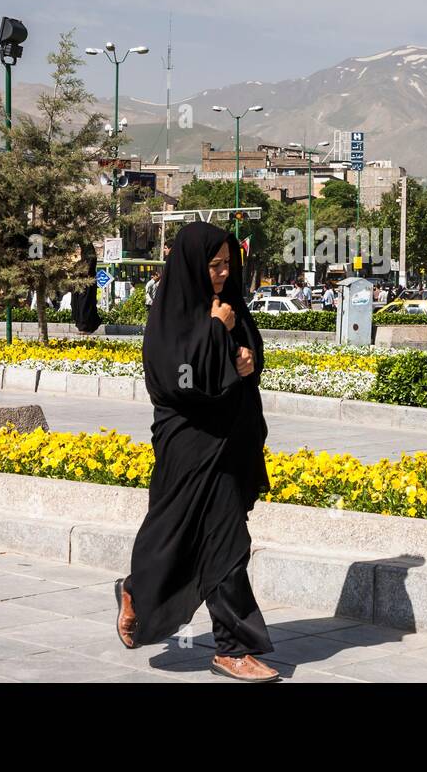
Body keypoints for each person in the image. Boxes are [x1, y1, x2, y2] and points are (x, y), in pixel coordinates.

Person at [117, 221, 278, 683]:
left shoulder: (231, 307)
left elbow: (246, 357)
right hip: (187, 445)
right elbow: (179, 380)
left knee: (228, 546)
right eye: (214, 265)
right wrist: (213, 328)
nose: (224, 273)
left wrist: (245, 360)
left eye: (229, 264)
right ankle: (136, 589)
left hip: (226, 445)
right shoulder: (171, 317)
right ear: (192, 265)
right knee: (170, 535)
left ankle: (231, 647)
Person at [72, 248, 101, 334]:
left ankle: (85, 327)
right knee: (76, 304)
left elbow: (89, 268)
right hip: (80, 285)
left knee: (85, 305)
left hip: (86, 285)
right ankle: (82, 325)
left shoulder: (90, 258)